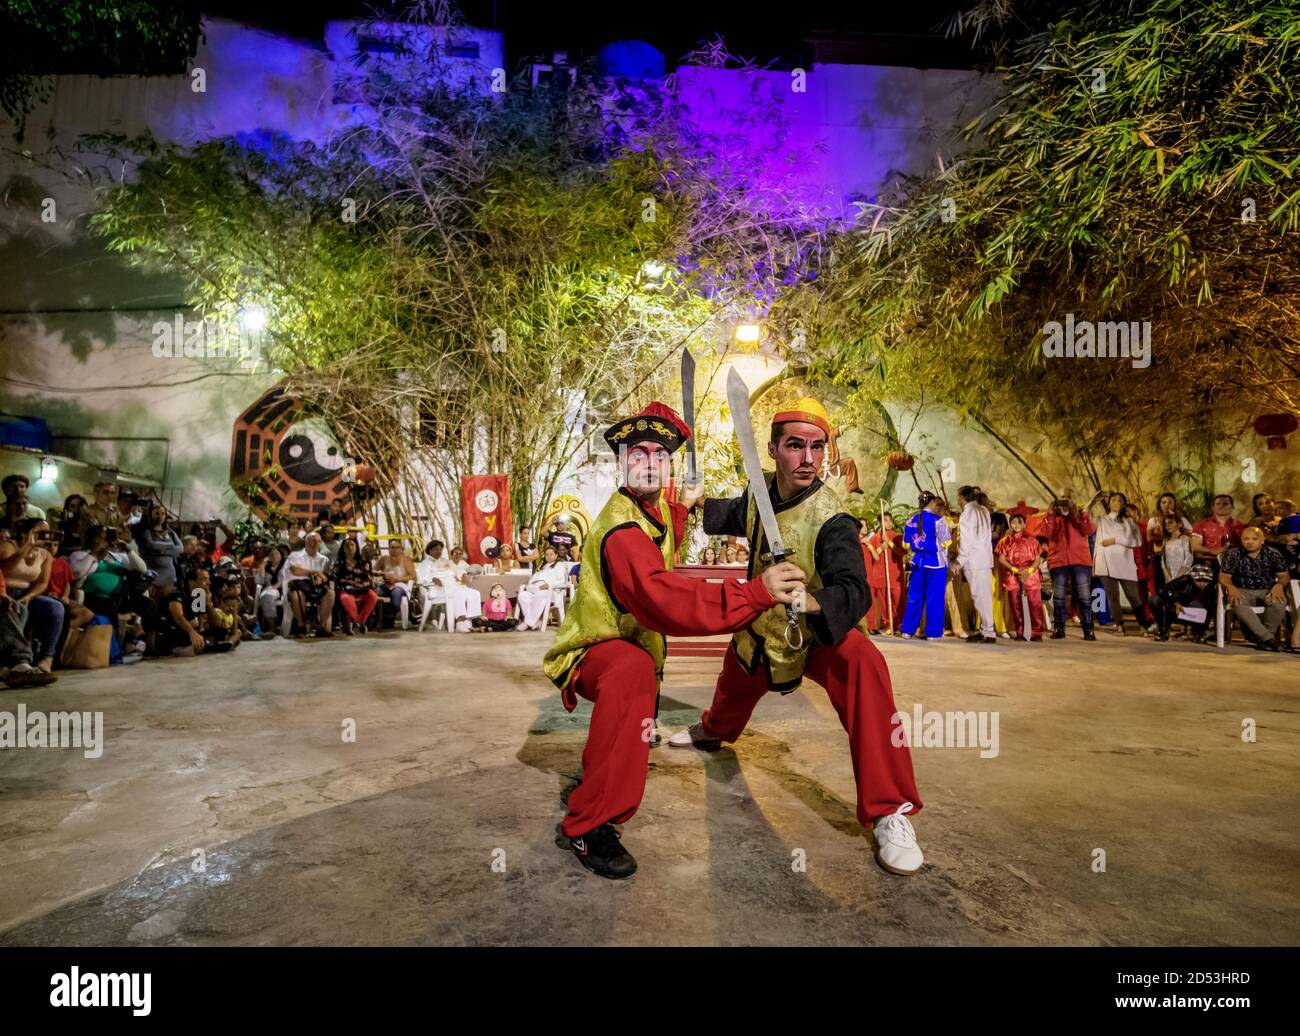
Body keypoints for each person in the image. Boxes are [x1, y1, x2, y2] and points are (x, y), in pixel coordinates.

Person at [542, 401, 806, 880]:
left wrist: (684, 504)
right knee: (630, 673)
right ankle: (588, 823)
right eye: (637, 452)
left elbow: (665, 533)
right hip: (593, 646)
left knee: (635, 687)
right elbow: (658, 596)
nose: (648, 461)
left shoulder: (655, 508)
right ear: (621, 462)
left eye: (659, 455)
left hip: (632, 643)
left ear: (668, 467)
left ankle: (601, 772)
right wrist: (754, 592)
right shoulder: (620, 528)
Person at [669, 396, 925, 878]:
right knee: (733, 687)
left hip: (815, 634)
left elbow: (854, 589)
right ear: (772, 449)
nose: (807, 458)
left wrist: (812, 601)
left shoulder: (834, 519)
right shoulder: (760, 491)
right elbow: (730, 514)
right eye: (794, 446)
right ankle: (715, 730)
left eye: (816, 447)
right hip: (762, 628)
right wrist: (696, 499)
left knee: (865, 666)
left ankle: (891, 810)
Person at [0, 518, 64, 672]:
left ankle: (47, 658)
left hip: (26, 593)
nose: (45, 537)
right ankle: (12, 661)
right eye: (40, 533)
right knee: (19, 610)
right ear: (25, 533)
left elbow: (42, 583)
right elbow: (4, 571)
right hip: (6, 589)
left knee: (55, 608)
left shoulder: (44, 553)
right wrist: (28, 546)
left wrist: (30, 595)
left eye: (47, 533)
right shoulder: (10, 546)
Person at [1218, 525, 1290, 650]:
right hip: (1242, 589)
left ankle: (1265, 638)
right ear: (1241, 540)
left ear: (1262, 540)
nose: (1249, 542)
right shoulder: (1233, 554)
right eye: (1246, 539)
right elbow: (1223, 576)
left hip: (1266, 589)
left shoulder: (1273, 553)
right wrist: (1230, 587)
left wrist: (1279, 585)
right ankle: (1268, 638)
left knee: (1279, 601)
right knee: (1238, 601)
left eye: (1254, 539)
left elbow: (1284, 576)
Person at [1041, 492, 1096, 640]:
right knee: (1058, 597)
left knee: (1084, 597)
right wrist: (1050, 514)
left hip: (1080, 560)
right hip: (1059, 561)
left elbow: (1089, 530)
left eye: (1067, 497)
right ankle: (1059, 629)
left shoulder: (1079, 514)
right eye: (1061, 496)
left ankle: (1088, 629)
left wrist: (1076, 514)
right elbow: (1047, 533)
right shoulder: (1053, 516)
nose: (1064, 499)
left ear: (1072, 499)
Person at [899, 491, 950, 640]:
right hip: (936, 564)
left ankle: (907, 631)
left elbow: (906, 544)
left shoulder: (910, 520)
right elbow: (946, 542)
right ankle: (933, 633)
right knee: (934, 599)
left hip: (918, 562)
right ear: (932, 502)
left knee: (914, 597)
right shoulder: (938, 520)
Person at [1093, 492, 1144, 635]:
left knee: (1133, 595)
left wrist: (1116, 540)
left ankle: (1143, 625)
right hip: (1106, 563)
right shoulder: (1102, 520)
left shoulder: (1129, 521)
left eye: (1120, 500)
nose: (1116, 502)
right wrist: (1097, 564)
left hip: (1125, 563)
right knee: (1113, 597)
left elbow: (1137, 542)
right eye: (1113, 500)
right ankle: (1119, 625)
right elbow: (1098, 542)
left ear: (1124, 504)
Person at [955, 485, 998, 644]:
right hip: (985, 559)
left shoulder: (967, 513)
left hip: (974, 560)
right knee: (983, 596)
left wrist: (960, 561)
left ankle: (988, 631)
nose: (957, 500)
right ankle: (986, 629)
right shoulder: (984, 510)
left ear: (963, 497)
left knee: (980, 597)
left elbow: (967, 540)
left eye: (958, 497)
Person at [995, 512, 1043, 640]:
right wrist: (1015, 569)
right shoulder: (1005, 541)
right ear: (1010, 524)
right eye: (1013, 523)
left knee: (1035, 604)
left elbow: (1038, 559)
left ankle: (1036, 632)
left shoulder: (1032, 540)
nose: (1016, 525)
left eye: (1019, 522)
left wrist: (1029, 571)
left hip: (1031, 575)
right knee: (1015, 606)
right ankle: (1021, 631)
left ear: (1024, 524)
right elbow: (1001, 559)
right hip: (1012, 575)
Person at [420, 541, 481, 630]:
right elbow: (423, 578)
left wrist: (462, 574)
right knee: (459, 593)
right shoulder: (425, 563)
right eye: (436, 549)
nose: (439, 551)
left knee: (475, 593)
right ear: (430, 550)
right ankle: (459, 622)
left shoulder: (444, 560)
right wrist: (433, 579)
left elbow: (455, 570)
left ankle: (467, 620)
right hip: (437, 588)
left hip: (452, 584)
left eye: (440, 549)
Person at [1149, 562, 1215, 643]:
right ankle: (1164, 630)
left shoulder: (1211, 588)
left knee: (1198, 605)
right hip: (1174, 611)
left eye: (1205, 580)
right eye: (1198, 580)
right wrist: (1175, 602)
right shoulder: (1185, 580)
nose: (1202, 583)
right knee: (1154, 600)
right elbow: (1164, 590)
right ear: (1192, 578)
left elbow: (1210, 609)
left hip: (1195, 615)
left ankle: (1199, 633)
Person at [286, 532, 335, 637]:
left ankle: (321, 627)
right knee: (296, 594)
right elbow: (294, 570)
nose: (316, 543)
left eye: (318, 541)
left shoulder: (324, 559)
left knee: (330, 593)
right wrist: (312, 573)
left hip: (316, 586)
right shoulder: (296, 555)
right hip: (299, 584)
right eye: (313, 540)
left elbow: (326, 576)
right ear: (306, 541)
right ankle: (301, 626)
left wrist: (320, 577)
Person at [863, 513, 903, 635]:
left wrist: (889, 542)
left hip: (895, 575)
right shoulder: (875, 538)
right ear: (880, 523)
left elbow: (901, 552)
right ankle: (889, 624)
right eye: (885, 520)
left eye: (890, 520)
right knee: (884, 603)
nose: (889, 523)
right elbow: (874, 556)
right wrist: (881, 547)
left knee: (898, 601)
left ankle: (899, 624)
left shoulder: (897, 536)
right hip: (880, 575)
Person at [516, 546, 570, 631]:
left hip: (551, 590)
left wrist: (549, 585)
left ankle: (528, 623)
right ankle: (535, 621)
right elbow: (534, 578)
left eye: (551, 554)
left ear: (556, 555)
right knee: (523, 595)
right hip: (535, 588)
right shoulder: (543, 566)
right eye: (547, 555)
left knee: (540, 594)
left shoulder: (559, 565)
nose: (549, 556)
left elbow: (562, 581)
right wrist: (530, 584)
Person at [333, 537, 377, 635]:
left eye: (352, 544)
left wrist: (362, 585)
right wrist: (350, 582)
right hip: (346, 589)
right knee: (346, 599)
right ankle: (358, 622)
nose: (350, 547)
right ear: (343, 548)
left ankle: (360, 621)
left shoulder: (364, 563)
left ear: (357, 547)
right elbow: (336, 579)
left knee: (373, 596)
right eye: (347, 545)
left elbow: (369, 579)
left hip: (362, 589)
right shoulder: (339, 563)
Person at [135, 503, 184, 587]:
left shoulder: (170, 532)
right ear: (151, 515)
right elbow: (152, 545)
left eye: (163, 513)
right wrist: (170, 544)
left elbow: (180, 548)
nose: (160, 516)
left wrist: (162, 552)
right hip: (152, 571)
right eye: (157, 513)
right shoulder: (147, 531)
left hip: (169, 572)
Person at [1191, 494, 1245, 563]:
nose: (1221, 506)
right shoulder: (1201, 524)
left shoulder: (1239, 525)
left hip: (1234, 562)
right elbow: (1195, 546)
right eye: (1218, 503)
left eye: (1225, 503)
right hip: (1208, 562)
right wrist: (1212, 551)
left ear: (1232, 507)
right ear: (1213, 507)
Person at [376, 538, 416, 628]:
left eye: (397, 547)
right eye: (392, 547)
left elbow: (413, 576)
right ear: (389, 549)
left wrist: (397, 579)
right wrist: (382, 575)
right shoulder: (384, 559)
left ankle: (390, 617)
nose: (395, 550)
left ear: (401, 549)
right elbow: (374, 571)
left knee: (396, 593)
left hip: (400, 585)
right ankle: (380, 618)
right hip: (385, 584)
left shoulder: (406, 560)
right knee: (377, 593)